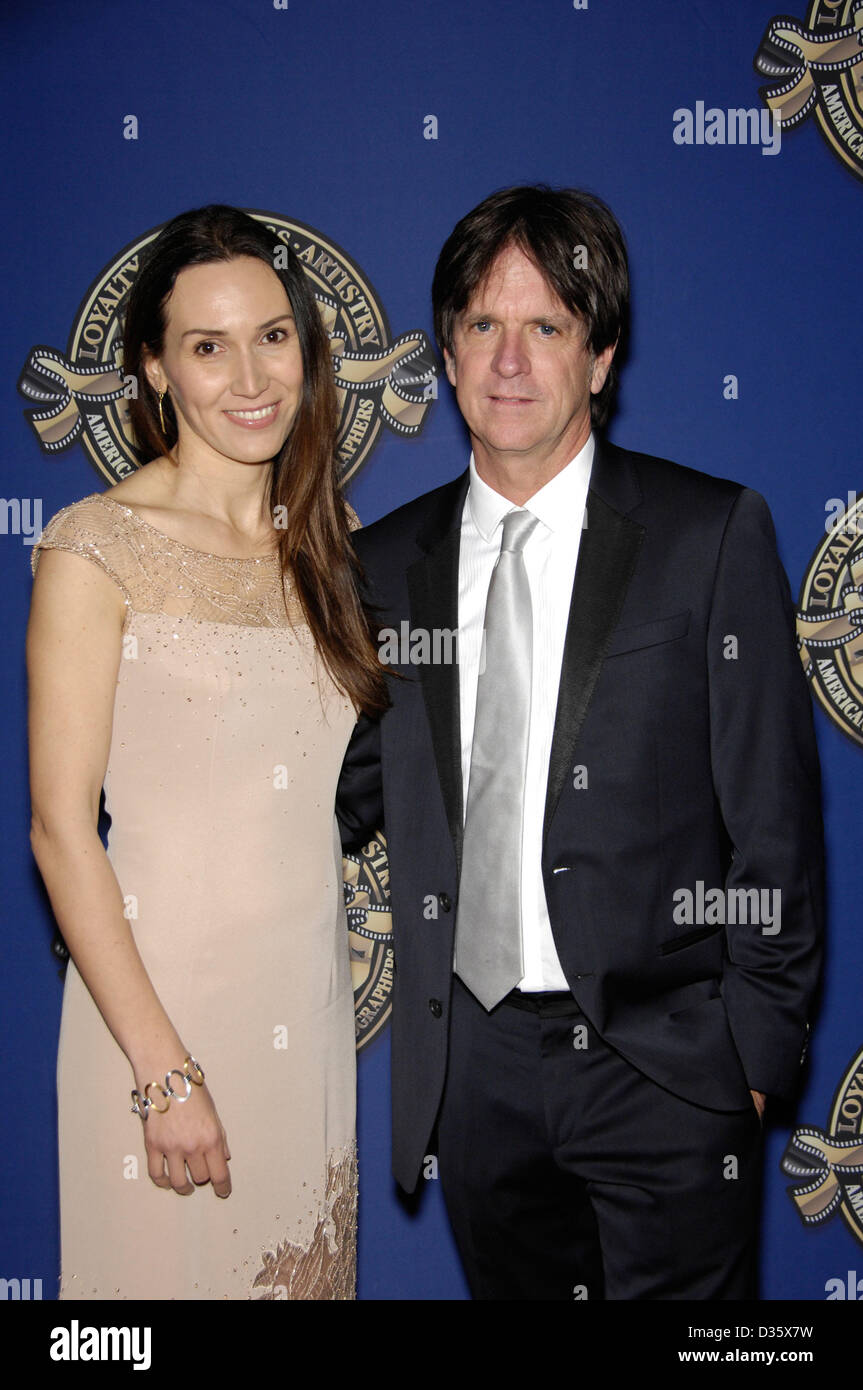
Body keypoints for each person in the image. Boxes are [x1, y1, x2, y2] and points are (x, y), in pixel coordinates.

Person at [337, 185, 824, 1300]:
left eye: (546, 327)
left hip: (663, 1069)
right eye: (481, 327)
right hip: (476, 1073)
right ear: (447, 358)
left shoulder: (706, 534)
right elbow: (345, 793)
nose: (509, 360)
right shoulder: (384, 568)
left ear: (599, 357)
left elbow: (773, 827)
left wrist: (747, 1065)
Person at [28, 204, 385, 1300]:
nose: (249, 375)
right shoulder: (95, 546)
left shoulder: (323, 551)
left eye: (273, 336)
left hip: (307, 1015)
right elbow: (58, 829)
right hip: (163, 1025)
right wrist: (163, 1071)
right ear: (153, 372)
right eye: (207, 345)